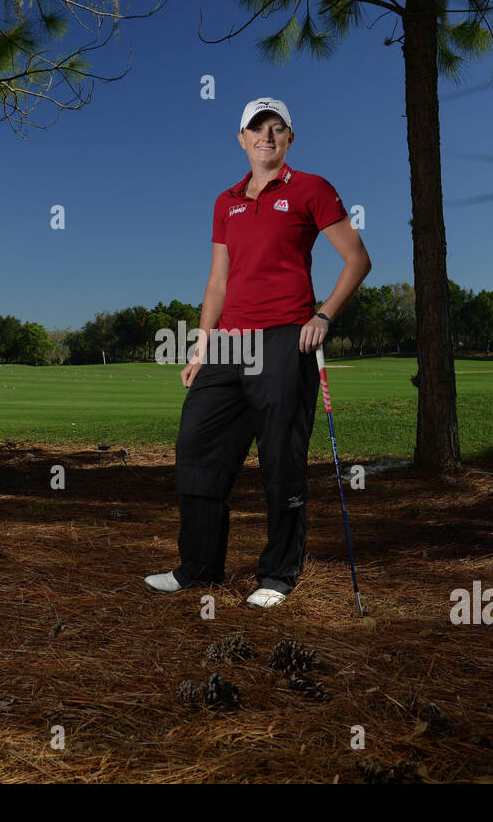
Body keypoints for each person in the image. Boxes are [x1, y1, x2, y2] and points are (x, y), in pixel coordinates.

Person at [144, 97, 371, 608]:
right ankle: (199, 565)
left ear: (289, 138)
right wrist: (201, 346)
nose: (266, 136)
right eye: (256, 128)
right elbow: (217, 282)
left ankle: (278, 574)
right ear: (242, 139)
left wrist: (323, 316)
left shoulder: (312, 189)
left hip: (286, 338)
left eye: (276, 128)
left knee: (280, 460)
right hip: (228, 344)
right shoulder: (225, 201)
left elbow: (357, 259)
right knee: (197, 447)